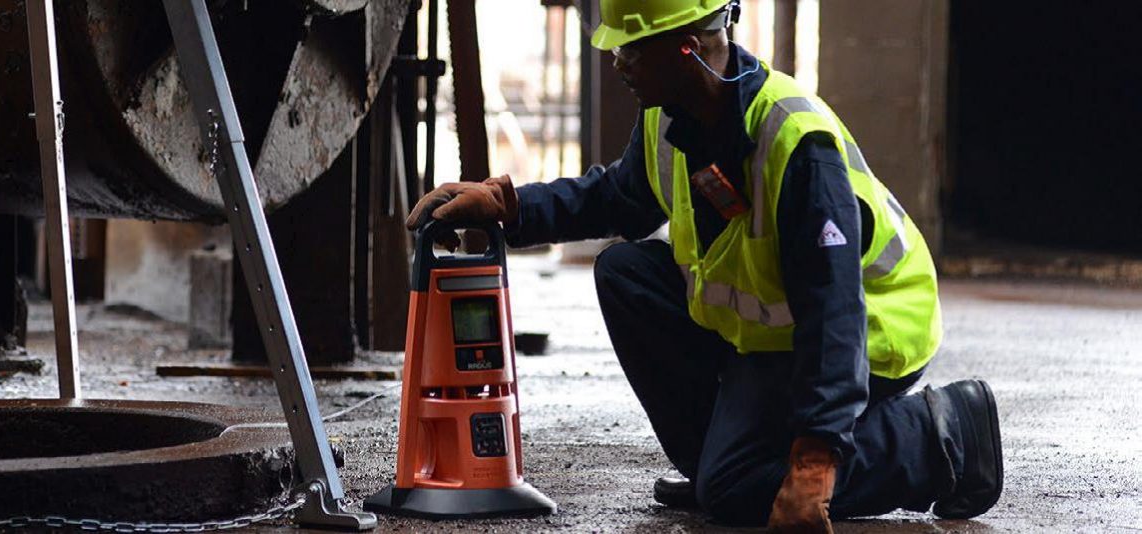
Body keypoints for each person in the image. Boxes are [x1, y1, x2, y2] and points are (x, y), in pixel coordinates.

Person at [404, 1, 1002, 531]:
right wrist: (508, 205)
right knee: (625, 274)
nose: (618, 61)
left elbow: (835, 314)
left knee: (738, 491)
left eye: (633, 45)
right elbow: (616, 198)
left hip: (871, 334)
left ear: (688, 46)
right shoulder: (667, 118)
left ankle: (942, 434)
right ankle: (719, 464)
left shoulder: (796, 143)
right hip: (775, 341)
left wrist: (815, 466)